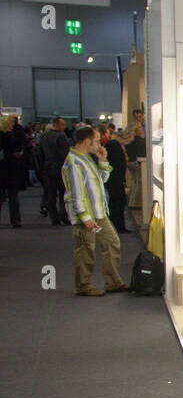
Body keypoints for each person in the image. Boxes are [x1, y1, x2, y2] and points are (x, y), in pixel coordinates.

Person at [63, 125, 127, 296]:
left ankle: (113, 281)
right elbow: (76, 193)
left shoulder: (86, 158)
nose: (100, 144)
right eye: (97, 141)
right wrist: (84, 216)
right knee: (85, 249)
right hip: (88, 216)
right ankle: (83, 285)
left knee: (112, 243)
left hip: (99, 213)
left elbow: (101, 180)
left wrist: (103, 161)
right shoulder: (74, 162)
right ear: (86, 141)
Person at [40, 118, 72, 224]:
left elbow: (41, 152)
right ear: (56, 124)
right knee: (64, 193)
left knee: (51, 193)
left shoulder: (45, 135)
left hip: (48, 167)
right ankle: (64, 215)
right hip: (60, 167)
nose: (64, 127)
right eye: (62, 125)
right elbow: (65, 154)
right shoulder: (61, 136)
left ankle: (54, 217)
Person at [1, 115, 27, 228]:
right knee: (13, 195)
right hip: (11, 167)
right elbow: (17, 149)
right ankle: (16, 221)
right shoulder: (12, 136)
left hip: (2, 167)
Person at [106, 127, 132, 233]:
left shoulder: (113, 144)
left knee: (116, 201)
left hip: (113, 178)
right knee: (119, 201)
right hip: (115, 179)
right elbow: (117, 164)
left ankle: (115, 224)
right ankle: (119, 226)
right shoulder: (115, 146)